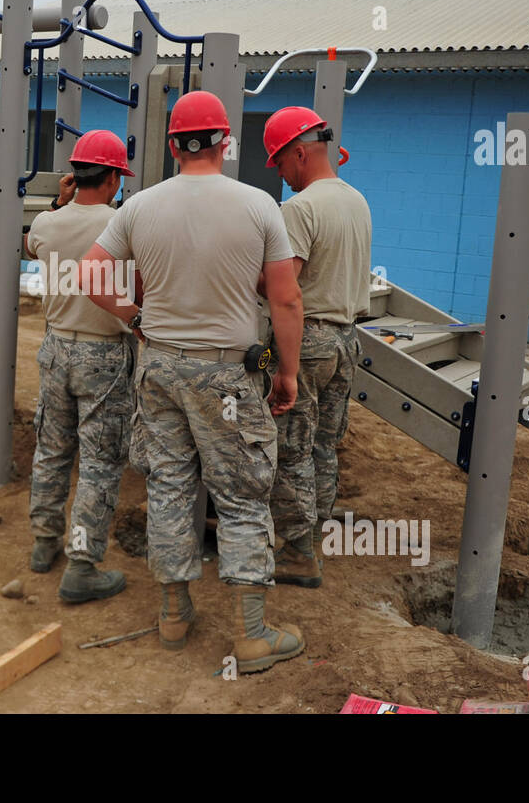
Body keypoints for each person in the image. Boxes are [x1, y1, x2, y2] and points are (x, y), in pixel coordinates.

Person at [83, 91, 307, 674]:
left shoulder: (139, 207)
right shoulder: (260, 206)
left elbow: (88, 273)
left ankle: (174, 615)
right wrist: (286, 372)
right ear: (225, 141)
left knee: (169, 485)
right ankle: (252, 635)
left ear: (174, 144)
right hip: (227, 374)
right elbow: (285, 296)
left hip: (157, 366)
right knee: (240, 493)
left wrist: (132, 315)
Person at [23, 129, 137, 603]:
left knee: (52, 448)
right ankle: (83, 565)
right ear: (112, 178)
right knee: (98, 461)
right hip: (103, 354)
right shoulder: (122, 224)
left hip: (56, 349)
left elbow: (32, 245)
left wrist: (57, 203)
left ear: (76, 175)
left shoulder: (46, 226)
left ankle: (43, 543)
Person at [261, 107, 372, 588]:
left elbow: (285, 288)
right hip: (347, 340)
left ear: (299, 153)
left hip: (308, 343)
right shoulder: (357, 200)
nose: (281, 176)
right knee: (324, 446)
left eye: (280, 164)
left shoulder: (300, 209)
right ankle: (316, 535)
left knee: (291, 449)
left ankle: (297, 553)